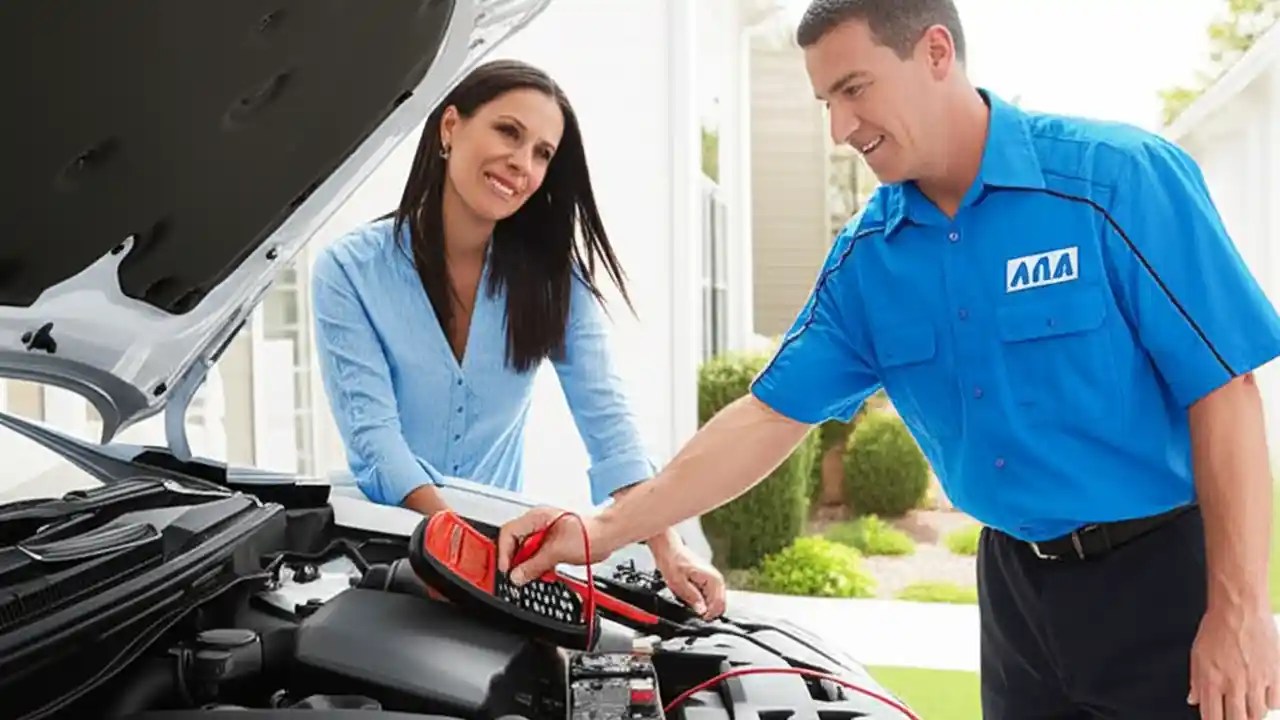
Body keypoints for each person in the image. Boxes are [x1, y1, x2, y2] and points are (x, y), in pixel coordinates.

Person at [497, 2, 1280, 718]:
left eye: (854, 89)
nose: (841, 127)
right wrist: (606, 528)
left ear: (935, 52)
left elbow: (1225, 390)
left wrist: (1240, 612)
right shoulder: (869, 259)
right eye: (826, 103)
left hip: (1160, 584)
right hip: (1015, 595)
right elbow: (767, 417)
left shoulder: (1114, 181)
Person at [311, 58, 725, 619]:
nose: (522, 164)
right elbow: (376, 443)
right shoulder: (347, 271)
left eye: (542, 153)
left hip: (500, 557)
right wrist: (456, 546)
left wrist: (668, 548)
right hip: (382, 546)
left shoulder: (556, 283)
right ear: (450, 127)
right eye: (508, 132)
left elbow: (609, 425)